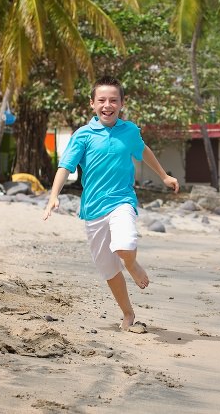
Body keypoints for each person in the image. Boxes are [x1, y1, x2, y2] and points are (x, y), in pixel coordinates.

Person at [42, 76, 179, 332]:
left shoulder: (129, 131)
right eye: (102, 100)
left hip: (122, 201)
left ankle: (132, 264)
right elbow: (65, 167)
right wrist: (53, 195)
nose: (108, 105)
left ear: (122, 104)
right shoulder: (82, 136)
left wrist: (163, 175)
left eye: (113, 100)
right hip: (93, 209)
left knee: (124, 244)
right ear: (92, 104)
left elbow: (143, 150)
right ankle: (128, 314)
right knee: (107, 269)